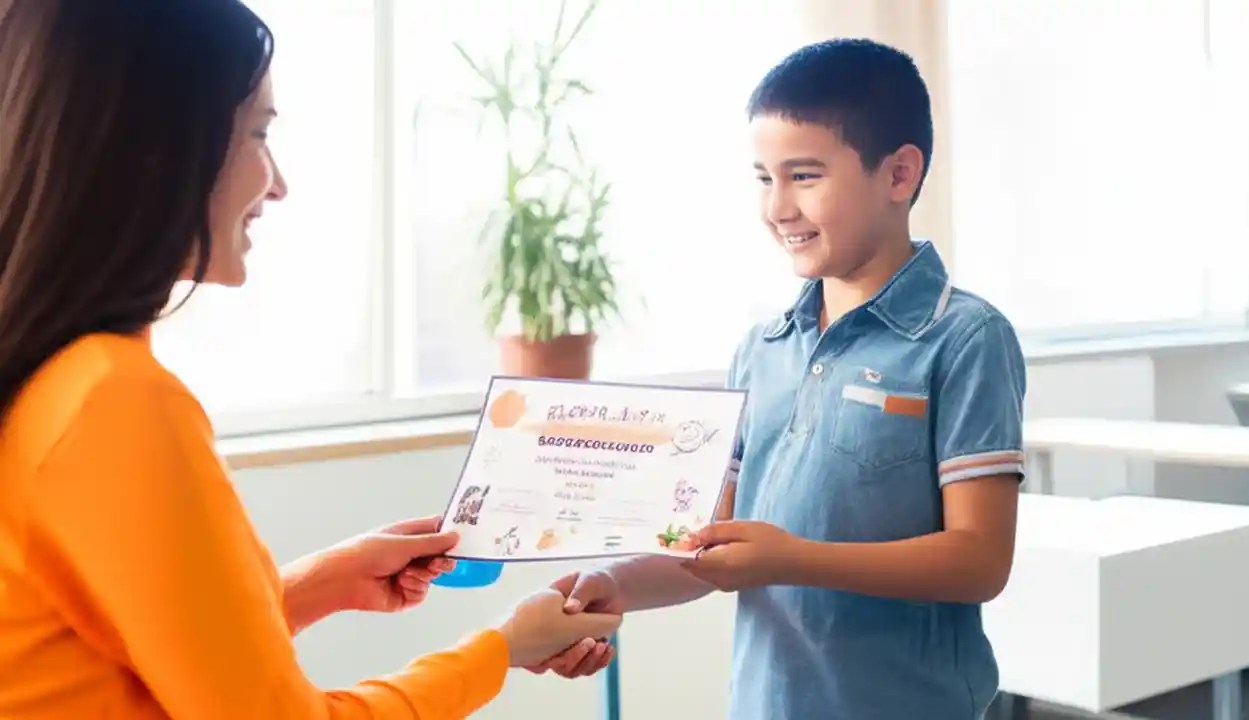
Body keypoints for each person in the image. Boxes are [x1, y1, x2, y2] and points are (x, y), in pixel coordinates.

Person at [0, 1, 619, 718]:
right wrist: (500, 649)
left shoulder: (50, 376)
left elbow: (118, 654)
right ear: (160, 148)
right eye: (259, 134)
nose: (278, 182)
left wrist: (324, 582)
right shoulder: (114, 399)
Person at [532, 38, 1026, 719]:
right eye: (764, 178)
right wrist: (612, 583)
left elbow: (980, 562)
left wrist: (793, 559)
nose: (777, 208)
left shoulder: (965, 338)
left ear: (899, 174)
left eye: (805, 176)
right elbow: (714, 545)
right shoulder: (761, 349)